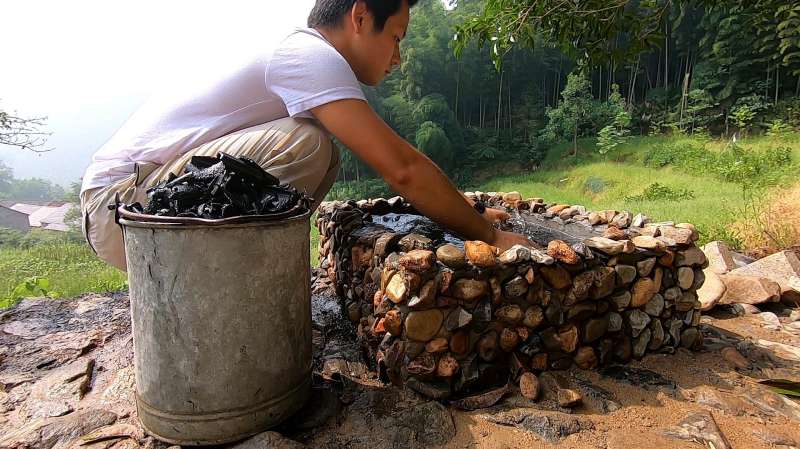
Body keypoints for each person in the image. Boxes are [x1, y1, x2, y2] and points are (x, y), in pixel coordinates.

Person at [80, 0, 533, 271]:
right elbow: (404, 168)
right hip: (124, 210)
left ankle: (239, 283)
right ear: (359, 16)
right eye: (395, 37)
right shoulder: (309, 55)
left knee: (322, 153)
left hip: (137, 203)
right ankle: (225, 284)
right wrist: (488, 237)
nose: (398, 57)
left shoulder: (299, 57)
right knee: (307, 145)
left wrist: (471, 215)